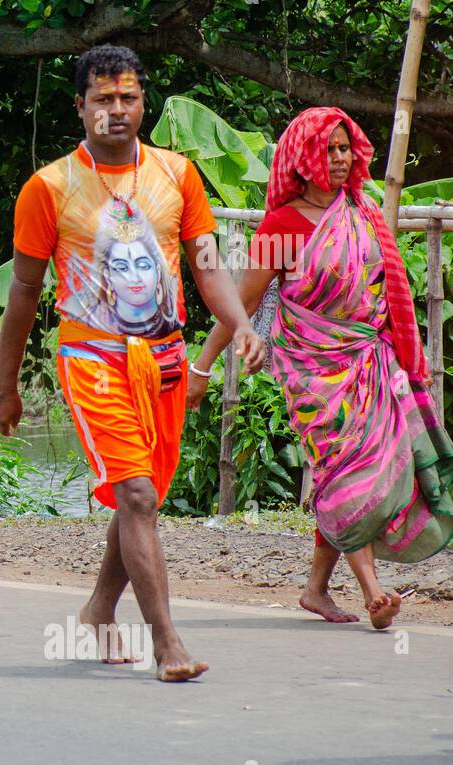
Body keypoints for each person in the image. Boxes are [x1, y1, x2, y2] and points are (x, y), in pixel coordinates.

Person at [0, 45, 266, 682]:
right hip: (92, 357)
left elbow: (205, 265)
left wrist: (242, 323)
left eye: (129, 97)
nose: (117, 110)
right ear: (80, 106)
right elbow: (25, 292)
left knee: (141, 496)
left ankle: (97, 611)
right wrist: (7, 386)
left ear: (144, 102)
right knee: (136, 493)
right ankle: (167, 642)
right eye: (103, 99)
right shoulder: (49, 187)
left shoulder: (179, 174)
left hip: (165, 361)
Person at [185, 107, 453, 628]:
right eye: (326, 149)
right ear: (303, 157)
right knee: (342, 471)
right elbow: (237, 306)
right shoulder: (282, 226)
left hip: (373, 363)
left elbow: (382, 289)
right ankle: (373, 590)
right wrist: (202, 368)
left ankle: (315, 589)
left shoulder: (364, 211)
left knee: (367, 472)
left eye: (343, 148)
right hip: (313, 372)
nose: (336, 158)